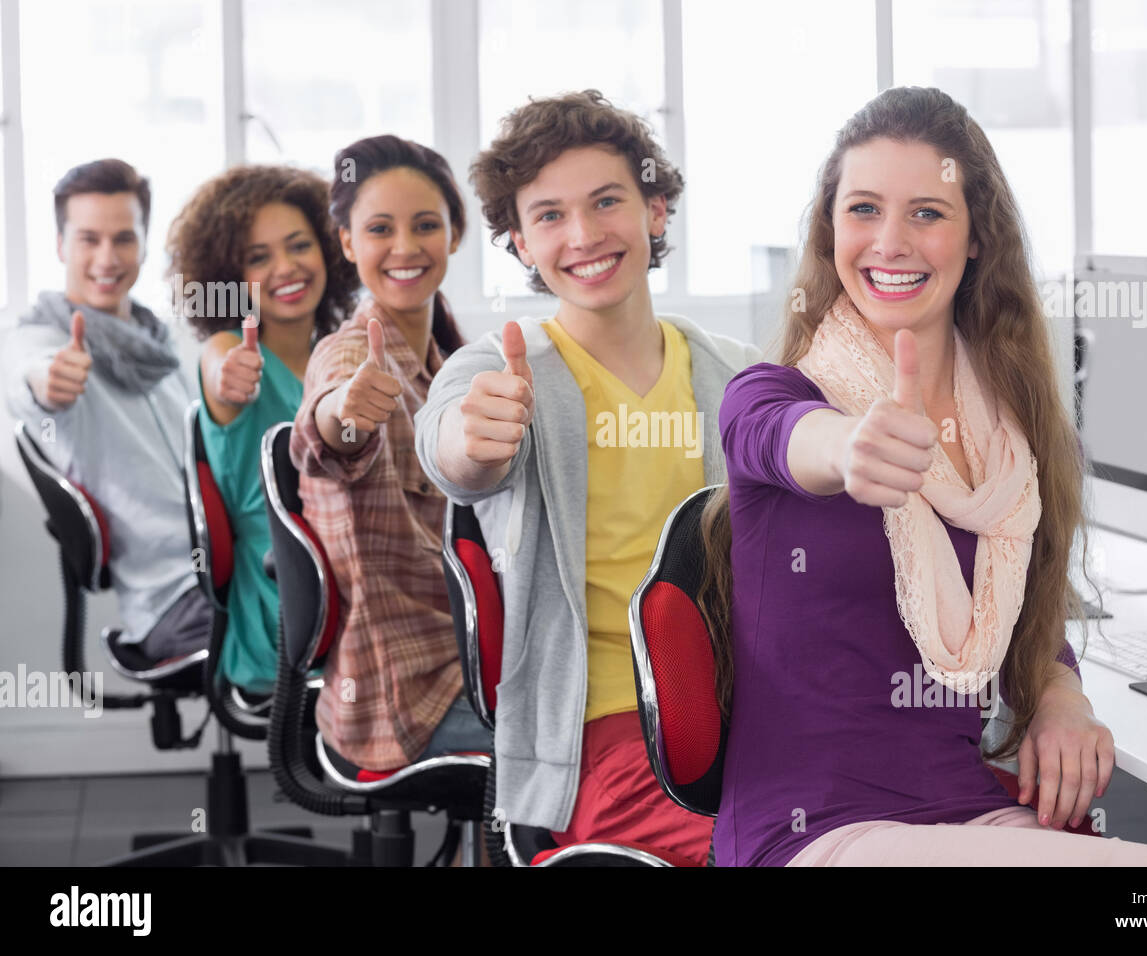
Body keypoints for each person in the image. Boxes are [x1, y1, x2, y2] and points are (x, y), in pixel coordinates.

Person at [698, 86, 1147, 866]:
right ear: (830, 229)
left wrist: (1059, 694)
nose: (889, 241)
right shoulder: (775, 395)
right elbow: (783, 441)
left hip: (965, 811)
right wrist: (851, 448)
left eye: (927, 213)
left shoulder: (1010, 434)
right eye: (863, 210)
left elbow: (1021, 614)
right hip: (812, 831)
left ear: (977, 236)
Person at [415, 90, 760, 864]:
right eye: (548, 216)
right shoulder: (497, 369)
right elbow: (450, 452)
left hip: (747, 720)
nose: (583, 235)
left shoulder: (737, 373)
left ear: (657, 210)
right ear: (518, 242)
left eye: (608, 201)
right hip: (597, 736)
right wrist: (477, 439)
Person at [289, 135, 490, 770]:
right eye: (380, 229)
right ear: (347, 243)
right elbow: (328, 433)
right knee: (585, 745)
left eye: (425, 225)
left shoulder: (448, 361)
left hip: (468, 659)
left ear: (454, 235)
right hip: (405, 696)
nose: (405, 247)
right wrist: (347, 414)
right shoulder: (351, 356)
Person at [4, 159, 210, 662]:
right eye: (88, 239)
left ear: (143, 242)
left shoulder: (163, 345)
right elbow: (30, 376)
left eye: (123, 238)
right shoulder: (40, 338)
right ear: (60, 244)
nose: (106, 257)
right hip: (176, 602)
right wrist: (50, 381)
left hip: (230, 573)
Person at [166, 165, 358, 694]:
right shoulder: (229, 350)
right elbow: (220, 372)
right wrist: (230, 381)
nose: (285, 267)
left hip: (351, 577)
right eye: (258, 257)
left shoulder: (342, 349)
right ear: (230, 277)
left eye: (299, 245)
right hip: (288, 601)